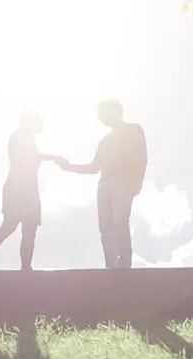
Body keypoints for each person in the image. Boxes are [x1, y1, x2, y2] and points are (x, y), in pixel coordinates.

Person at [57, 99, 148, 269]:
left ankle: (124, 262)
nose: (99, 117)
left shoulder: (133, 129)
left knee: (120, 220)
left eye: (102, 112)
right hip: (104, 184)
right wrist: (69, 167)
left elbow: (141, 155)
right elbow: (94, 167)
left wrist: (138, 179)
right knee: (105, 227)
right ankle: (110, 264)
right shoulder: (104, 142)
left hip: (124, 180)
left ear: (114, 111)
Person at [0, 113, 62, 271]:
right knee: (11, 226)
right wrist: (54, 158)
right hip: (19, 189)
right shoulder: (19, 138)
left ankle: (24, 267)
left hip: (27, 189)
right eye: (38, 122)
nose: (41, 125)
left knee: (27, 229)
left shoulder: (26, 139)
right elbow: (28, 157)